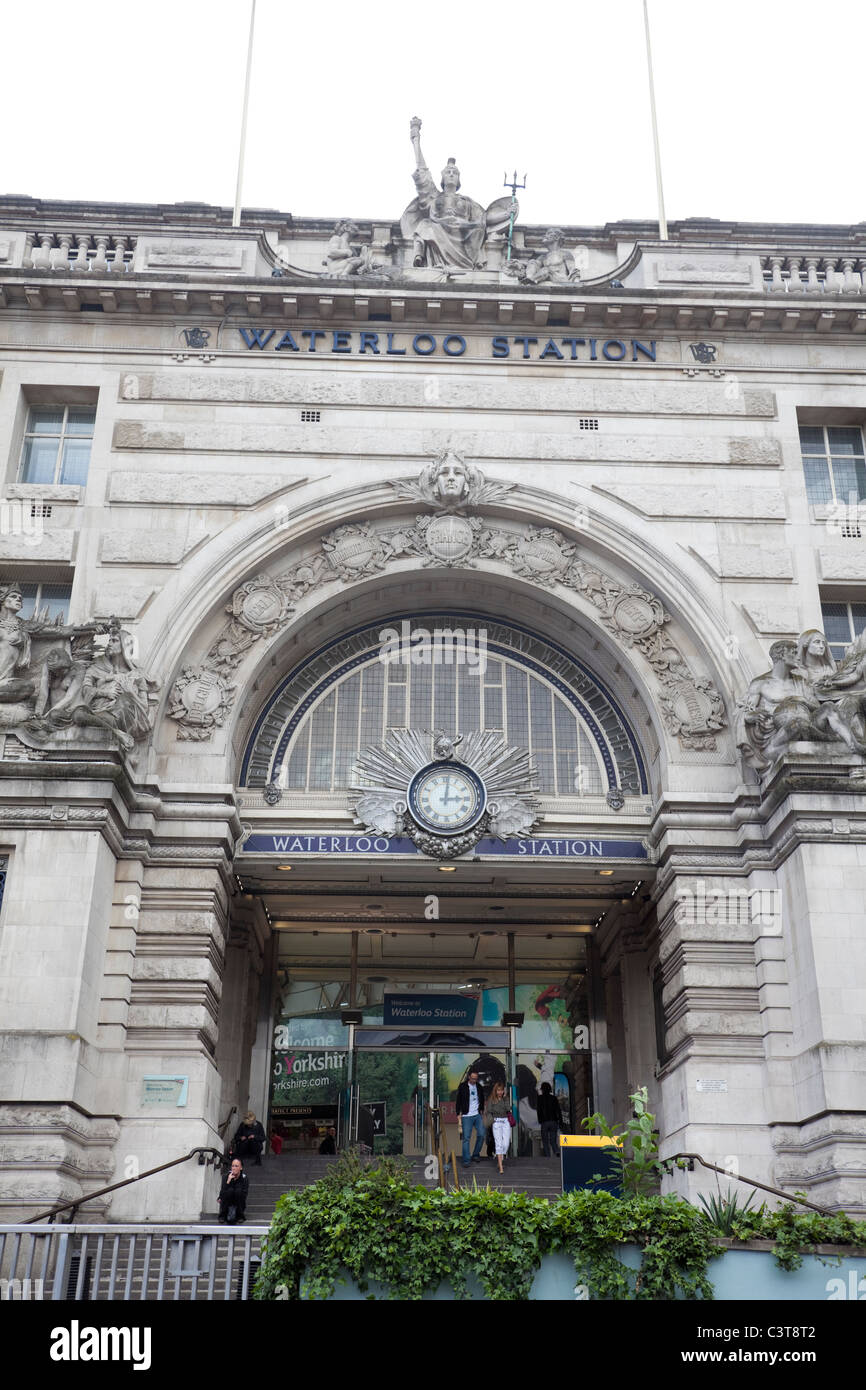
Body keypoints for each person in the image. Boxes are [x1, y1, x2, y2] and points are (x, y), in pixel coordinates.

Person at [455, 1067, 486, 1168]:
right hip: (466, 1115)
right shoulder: (463, 1086)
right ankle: (466, 1160)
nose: (474, 1080)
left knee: (481, 1134)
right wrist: (458, 1113)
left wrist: (481, 1109)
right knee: (466, 1138)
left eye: (476, 1079)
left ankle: (476, 1154)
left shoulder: (479, 1087)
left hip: (477, 1114)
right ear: (469, 1077)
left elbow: (482, 1098)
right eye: (472, 1078)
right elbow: (458, 1100)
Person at [483, 1081, 513, 1175]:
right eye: (498, 1090)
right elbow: (489, 1110)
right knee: (498, 1143)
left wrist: (504, 1099)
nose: (500, 1092)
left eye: (501, 1090)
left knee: (506, 1143)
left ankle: (500, 1156)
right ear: (495, 1091)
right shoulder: (491, 1099)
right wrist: (499, 1109)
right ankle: (500, 1166)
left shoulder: (505, 1098)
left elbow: (508, 1108)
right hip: (496, 1121)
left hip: (505, 1121)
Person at [536, 1081, 564, 1158]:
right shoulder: (554, 1098)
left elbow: (539, 1110)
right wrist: (560, 1121)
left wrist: (540, 1120)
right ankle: (557, 1151)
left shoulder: (540, 1098)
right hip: (553, 1121)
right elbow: (558, 1110)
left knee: (545, 1141)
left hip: (544, 1122)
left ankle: (548, 1156)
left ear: (542, 1089)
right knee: (553, 1140)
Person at [217, 1158, 248, 1224]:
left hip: (238, 1202)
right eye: (233, 1166)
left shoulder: (244, 1178)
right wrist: (228, 1181)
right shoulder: (226, 1177)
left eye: (236, 1166)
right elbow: (222, 1193)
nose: (234, 1168)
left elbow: (244, 1195)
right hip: (227, 1202)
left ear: (241, 1168)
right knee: (229, 1191)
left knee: (238, 1191)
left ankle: (240, 1216)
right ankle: (223, 1216)